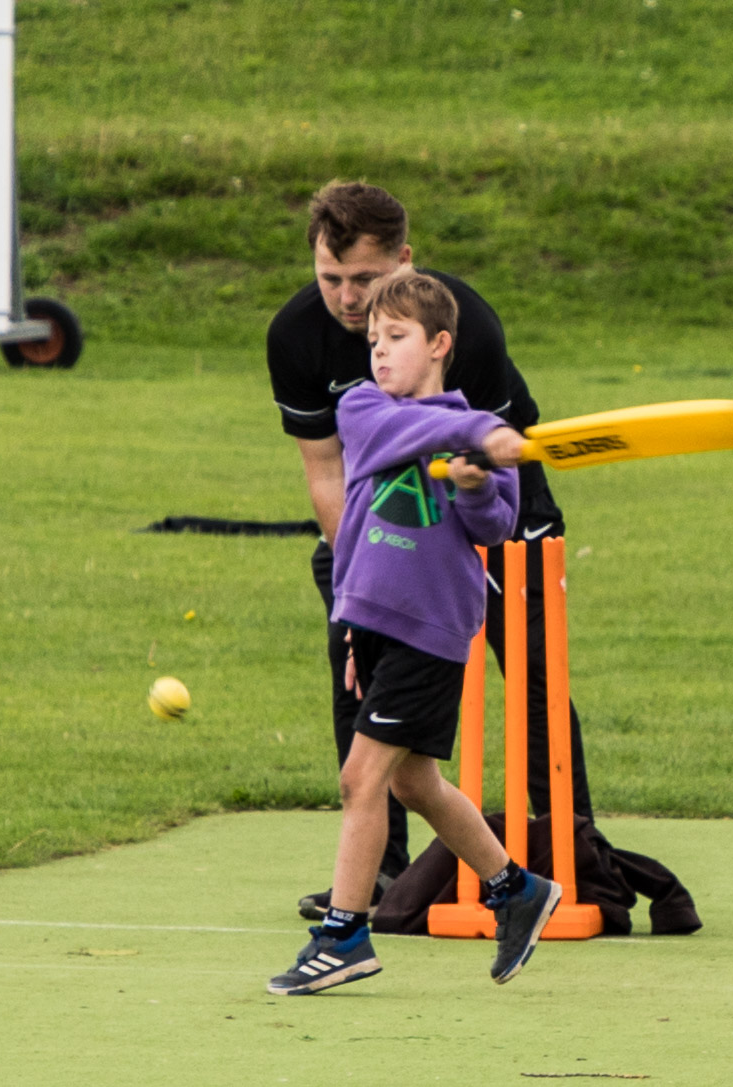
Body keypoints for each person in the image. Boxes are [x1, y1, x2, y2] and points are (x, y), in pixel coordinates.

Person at [265, 182, 594, 918]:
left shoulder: (463, 322)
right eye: (330, 279)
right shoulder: (296, 337)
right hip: (374, 520)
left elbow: (488, 481)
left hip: (495, 500)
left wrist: (482, 461)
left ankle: (575, 847)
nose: (349, 301)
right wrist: (362, 576)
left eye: (366, 280)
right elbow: (329, 468)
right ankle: (381, 876)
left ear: (405, 261)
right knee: (365, 704)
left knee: (534, 666)